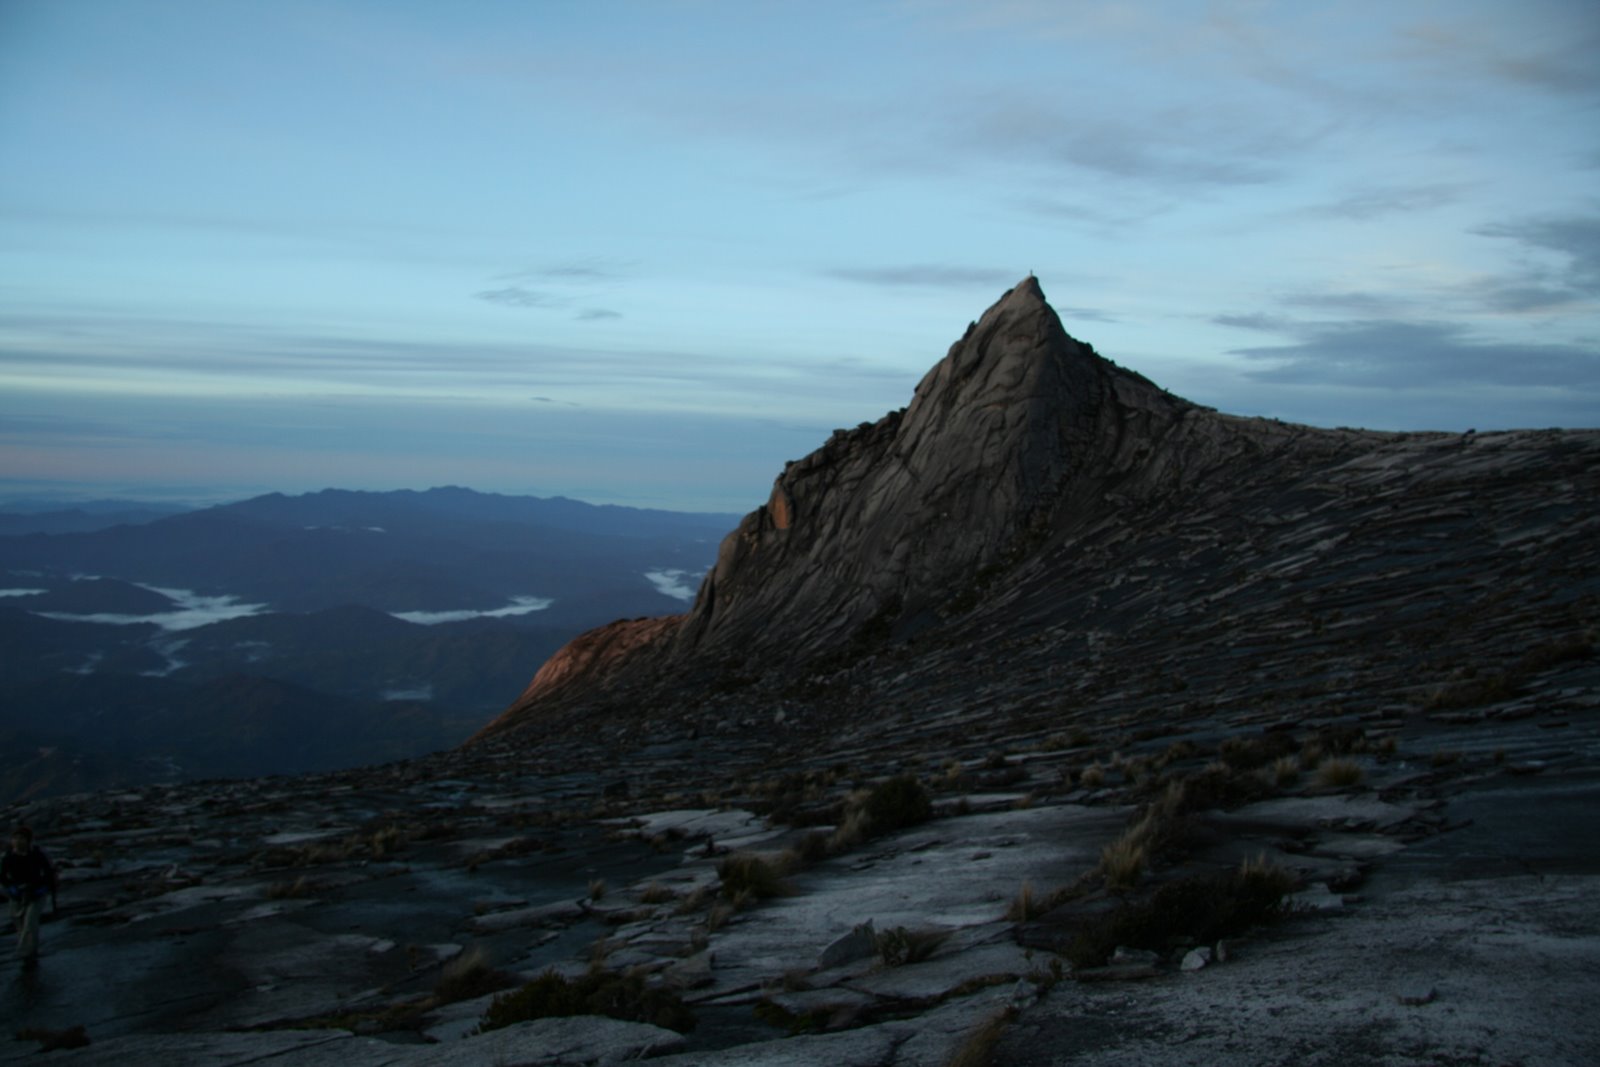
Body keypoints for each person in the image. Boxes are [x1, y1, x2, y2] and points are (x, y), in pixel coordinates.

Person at [2, 824, 56, 969]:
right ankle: (31, 951)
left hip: (36, 892)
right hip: (18, 895)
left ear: (28, 840)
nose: (18, 842)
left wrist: (43, 888)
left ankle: (23, 952)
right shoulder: (8, 857)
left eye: (21, 838)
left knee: (30, 922)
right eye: (15, 838)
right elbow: (2, 877)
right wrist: (12, 889)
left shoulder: (37, 855)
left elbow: (49, 874)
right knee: (19, 923)